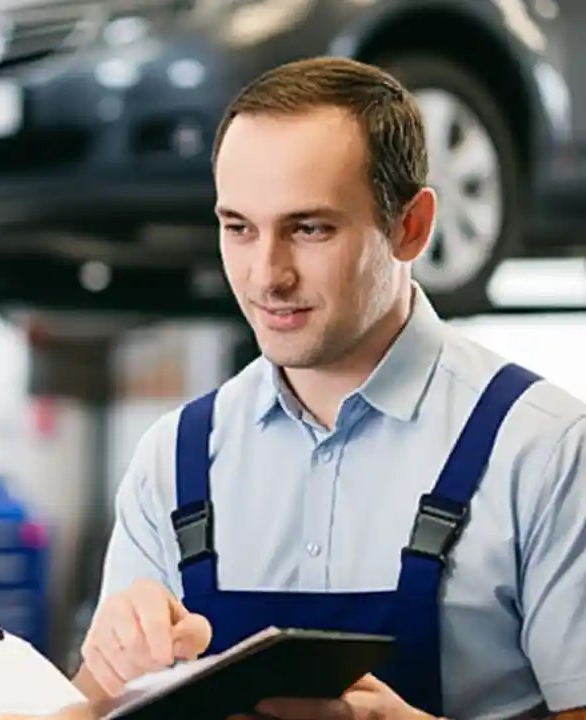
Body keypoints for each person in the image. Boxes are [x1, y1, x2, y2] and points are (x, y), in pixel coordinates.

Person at [61, 56, 586, 720]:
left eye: (309, 228)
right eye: (239, 228)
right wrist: (100, 680)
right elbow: (94, 705)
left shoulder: (547, 453)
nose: (265, 275)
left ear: (411, 227)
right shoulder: (172, 461)